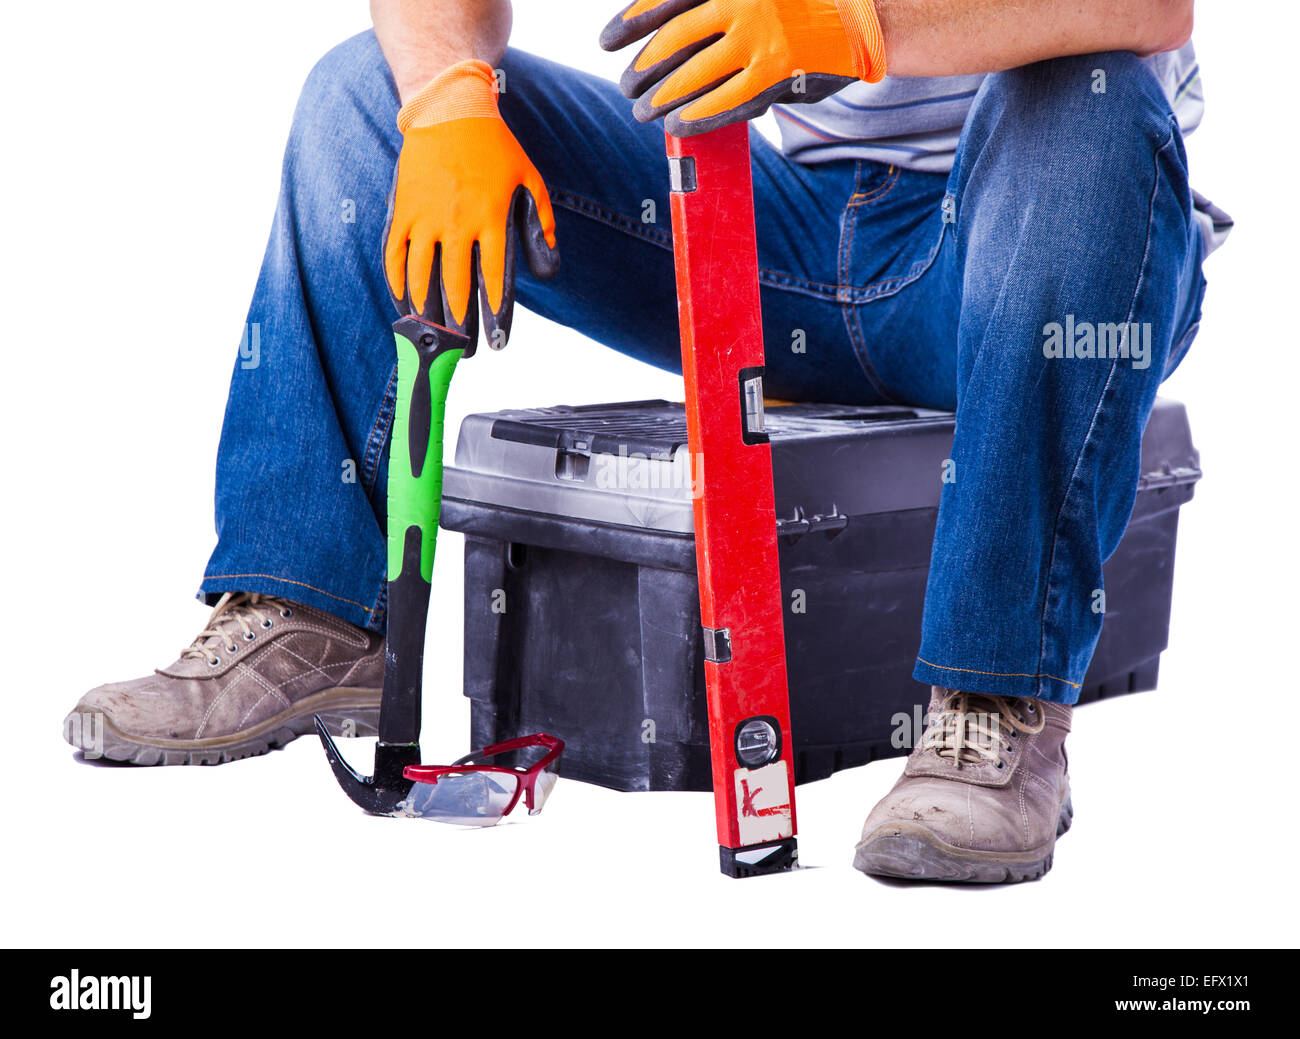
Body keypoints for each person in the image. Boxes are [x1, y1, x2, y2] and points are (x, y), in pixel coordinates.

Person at [64, 0, 1226, 882]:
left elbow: (1148, 9)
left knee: (1083, 99)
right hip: (778, 223)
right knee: (369, 91)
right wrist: (452, 102)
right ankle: (313, 612)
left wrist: (850, 25)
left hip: (1027, 234)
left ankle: (994, 706)